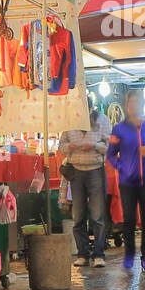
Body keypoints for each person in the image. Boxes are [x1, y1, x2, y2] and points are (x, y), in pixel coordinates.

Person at [107, 89, 145, 271]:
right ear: (127, 106)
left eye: (137, 102)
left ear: (143, 105)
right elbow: (110, 154)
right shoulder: (118, 129)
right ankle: (128, 255)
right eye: (131, 102)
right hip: (127, 182)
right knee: (129, 219)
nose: (134, 106)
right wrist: (121, 167)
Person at [61, 109, 110, 267]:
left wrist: (95, 145)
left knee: (97, 216)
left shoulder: (101, 119)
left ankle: (99, 254)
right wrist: (70, 146)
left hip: (96, 169)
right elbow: (61, 146)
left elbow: (110, 145)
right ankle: (82, 254)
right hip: (76, 171)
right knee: (78, 216)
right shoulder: (69, 123)